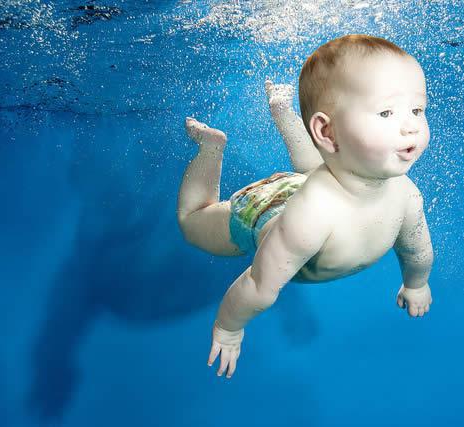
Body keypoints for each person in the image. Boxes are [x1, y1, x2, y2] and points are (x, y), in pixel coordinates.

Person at [177, 34, 434, 379]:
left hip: (323, 180)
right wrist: (229, 328)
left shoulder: (406, 194)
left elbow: (417, 251)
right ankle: (211, 149)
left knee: (321, 169)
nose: (410, 125)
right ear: (325, 131)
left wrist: (416, 283)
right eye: (387, 112)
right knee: (192, 222)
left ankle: (282, 110)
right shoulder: (310, 217)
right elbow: (257, 286)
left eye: (417, 109)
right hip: (261, 212)